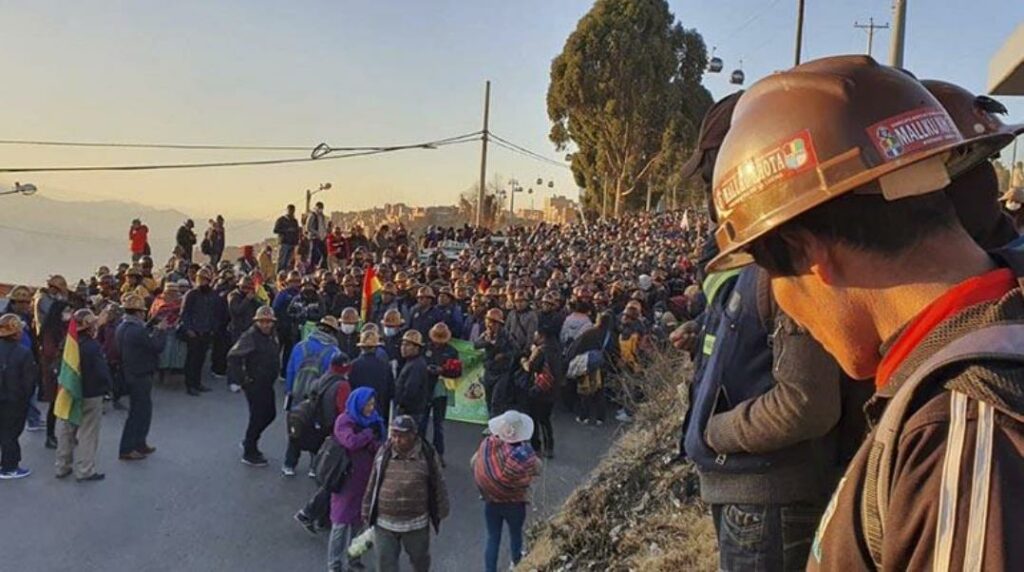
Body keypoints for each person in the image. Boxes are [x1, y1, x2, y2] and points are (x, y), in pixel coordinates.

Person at [706, 55, 1024, 571]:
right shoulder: (958, 375)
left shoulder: (964, 435)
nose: (790, 311)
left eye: (772, 279)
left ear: (808, 252)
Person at [361, 415, 450, 572]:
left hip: (416, 524)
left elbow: (438, 482)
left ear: (413, 435)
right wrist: (366, 509)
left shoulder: (427, 454)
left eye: (401, 436)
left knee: (420, 562)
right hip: (385, 524)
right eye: (394, 435)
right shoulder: (384, 452)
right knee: (385, 565)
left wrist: (442, 508)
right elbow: (373, 482)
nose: (396, 440)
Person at [472, 410, 541, 572]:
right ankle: (516, 563)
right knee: (515, 534)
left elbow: (475, 462)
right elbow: (537, 469)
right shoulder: (525, 453)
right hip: (515, 503)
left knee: (493, 538)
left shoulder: (489, 445)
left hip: (491, 502)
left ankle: (490, 570)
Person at [325, 387, 385, 572]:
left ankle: (353, 559)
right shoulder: (345, 420)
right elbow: (350, 442)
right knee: (340, 525)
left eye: (373, 403)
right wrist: (368, 434)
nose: (371, 407)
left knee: (360, 524)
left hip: (366, 480)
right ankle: (334, 564)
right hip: (346, 480)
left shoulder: (374, 420)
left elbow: (380, 446)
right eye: (367, 404)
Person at [55, 309, 111, 482]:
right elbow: (102, 372)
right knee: (88, 432)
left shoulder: (67, 343)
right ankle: (85, 470)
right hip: (90, 394)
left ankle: (62, 466)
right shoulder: (93, 346)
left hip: (68, 391)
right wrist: (108, 387)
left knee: (66, 430)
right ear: (89, 326)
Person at [283, 316, 342, 476]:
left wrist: (289, 391)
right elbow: (333, 378)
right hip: (318, 398)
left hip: (297, 395)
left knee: (296, 428)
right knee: (317, 431)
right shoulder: (334, 352)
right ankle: (313, 466)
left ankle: (289, 464)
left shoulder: (300, 346)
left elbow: (290, 371)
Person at [116, 294, 168, 461]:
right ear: (138, 312)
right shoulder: (137, 330)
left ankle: (139, 443)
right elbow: (156, 346)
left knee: (142, 411)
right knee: (138, 413)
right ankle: (128, 448)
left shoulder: (123, 327)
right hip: (140, 374)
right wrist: (161, 331)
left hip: (130, 372)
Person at [226, 306, 281, 466]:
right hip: (255, 383)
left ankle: (249, 441)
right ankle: (249, 451)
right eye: (262, 322)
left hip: (267, 382)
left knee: (270, 414)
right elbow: (233, 356)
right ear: (256, 322)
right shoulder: (250, 336)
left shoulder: (272, 335)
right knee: (257, 417)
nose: (265, 325)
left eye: (268, 322)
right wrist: (244, 380)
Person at [0, 313, 37, 480]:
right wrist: (25, 399)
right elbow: (29, 382)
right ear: (16, 333)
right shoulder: (23, 353)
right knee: (11, 434)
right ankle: (9, 467)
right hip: (14, 400)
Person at [421, 323, 460, 466]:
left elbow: (457, 372)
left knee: (438, 424)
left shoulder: (451, 351)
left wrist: (442, 370)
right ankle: (421, 453)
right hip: (425, 388)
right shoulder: (425, 348)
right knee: (422, 423)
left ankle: (439, 454)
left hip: (441, 390)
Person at [180, 268, 222, 396]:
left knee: (200, 359)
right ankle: (190, 385)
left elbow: (216, 313)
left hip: (206, 331)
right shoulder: (191, 294)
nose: (202, 282)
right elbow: (184, 313)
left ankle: (197, 383)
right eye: (200, 279)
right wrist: (189, 329)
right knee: (191, 360)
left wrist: (213, 329)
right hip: (193, 332)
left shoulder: (213, 295)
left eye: (204, 280)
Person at [521, 329, 561, 459]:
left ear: (542, 336)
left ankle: (535, 447)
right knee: (545, 420)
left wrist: (523, 360)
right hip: (552, 390)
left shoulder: (540, 350)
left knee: (534, 419)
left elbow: (530, 367)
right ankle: (549, 448)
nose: (534, 336)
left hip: (538, 390)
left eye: (536, 334)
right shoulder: (557, 350)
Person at [349, 330, 395, 424]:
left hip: (358, 412)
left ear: (361, 347)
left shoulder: (354, 365)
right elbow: (391, 391)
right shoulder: (385, 366)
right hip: (378, 411)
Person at [476, 308, 513, 417]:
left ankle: (496, 424)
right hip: (489, 369)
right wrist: (486, 342)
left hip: (502, 371)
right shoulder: (486, 334)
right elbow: (476, 344)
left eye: (494, 322)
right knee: (488, 399)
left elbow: (515, 350)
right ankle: (491, 422)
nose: (491, 324)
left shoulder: (506, 335)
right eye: (489, 321)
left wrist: (504, 355)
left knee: (496, 400)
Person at [148, 282, 187, 378]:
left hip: (176, 329)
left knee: (176, 351)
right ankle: (161, 370)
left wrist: (177, 321)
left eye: (174, 292)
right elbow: (153, 314)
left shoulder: (181, 301)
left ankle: (175, 369)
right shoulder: (159, 300)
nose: (172, 294)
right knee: (163, 351)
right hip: (161, 329)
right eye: (170, 292)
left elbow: (184, 313)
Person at [393, 330, 431, 426]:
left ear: (417, 348)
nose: (403, 348)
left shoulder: (416, 365)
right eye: (402, 345)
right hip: (409, 410)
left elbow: (411, 389)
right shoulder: (411, 362)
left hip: (410, 412)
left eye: (407, 345)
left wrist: (401, 404)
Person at [274, 205, 302, 272]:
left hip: (292, 243)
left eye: (293, 211)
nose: (291, 212)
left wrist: (297, 241)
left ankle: (285, 273)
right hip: (284, 243)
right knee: (281, 261)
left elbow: (297, 231)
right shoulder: (281, 220)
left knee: (288, 262)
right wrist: (287, 230)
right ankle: (279, 274)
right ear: (287, 210)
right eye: (290, 210)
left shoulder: (294, 221)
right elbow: (275, 230)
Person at [307, 201, 329, 269]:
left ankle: (322, 267)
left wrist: (325, 234)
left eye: (322, 208)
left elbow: (323, 226)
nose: (321, 209)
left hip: (322, 238)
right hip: (314, 237)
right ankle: (310, 268)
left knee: (325, 253)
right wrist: (316, 233)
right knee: (313, 254)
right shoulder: (312, 215)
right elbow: (308, 227)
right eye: (319, 207)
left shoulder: (322, 216)